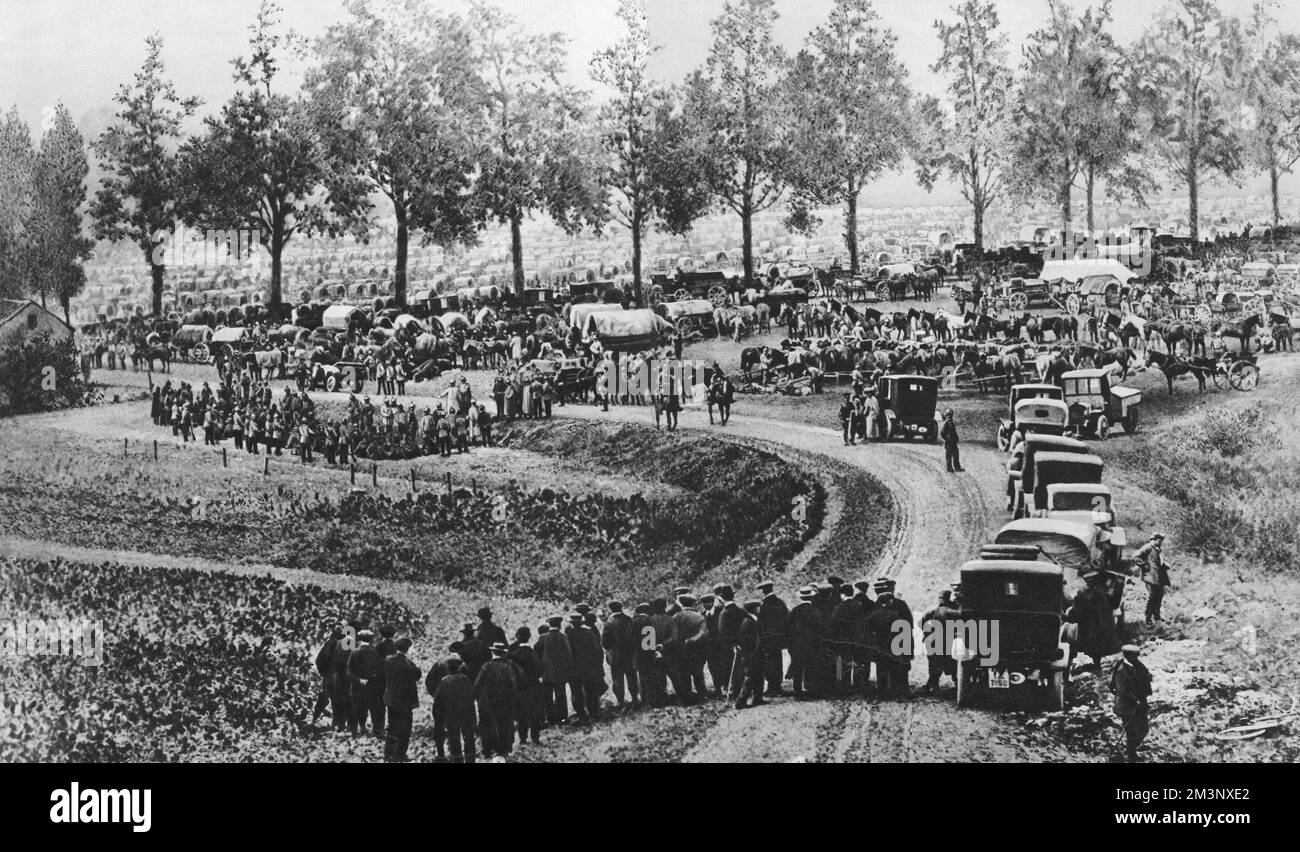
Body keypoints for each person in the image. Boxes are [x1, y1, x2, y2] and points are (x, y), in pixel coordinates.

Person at [474, 643, 519, 760]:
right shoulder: (507, 668)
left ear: (493, 653)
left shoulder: (486, 666)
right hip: (504, 702)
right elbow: (514, 686)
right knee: (504, 725)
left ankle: (487, 751)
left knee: (486, 726)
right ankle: (503, 751)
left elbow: (477, 685)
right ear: (503, 653)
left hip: (486, 703)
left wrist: (480, 699)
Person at [1109, 644, 1152, 762]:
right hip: (1127, 705)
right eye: (1134, 655)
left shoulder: (1136, 665)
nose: (1137, 657)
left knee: (1143, 728)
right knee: (1132, 731)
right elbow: (1123, 691)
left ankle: (1131, 750)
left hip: (1139, 703)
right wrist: (1135, 700)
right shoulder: (1122, 670)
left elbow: (1143, 676)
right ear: (1127, 655)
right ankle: (1131, 754)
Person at [432, 657, 477, 763]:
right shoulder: (465, 679)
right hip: (466, 712)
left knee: (454, 738)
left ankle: (457, 760)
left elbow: (438, 700)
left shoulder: (444, 681)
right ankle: (470, 760)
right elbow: (471, 696)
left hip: (451, 713)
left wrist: (438, 715)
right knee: (469, 737)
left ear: (448, 668)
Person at [382, 637, 420, 763]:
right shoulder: (407, 663)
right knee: (405, 729)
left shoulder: (388, 660)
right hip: (405, 701)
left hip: (391, 699)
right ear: (407, 649)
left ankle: (388, 753)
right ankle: (400, 754)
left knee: (392, 726)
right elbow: (417, 675)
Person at [509, 628, 545, 746]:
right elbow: (540, 671)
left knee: (521, 713)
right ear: (529, 636)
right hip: (534, 686)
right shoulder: (532, 653)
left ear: (517, 637)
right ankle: (535, 737)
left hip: (519, 688)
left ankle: (523, 739)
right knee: (535, 712)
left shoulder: (513, 655)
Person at [347, 628, 385, 738]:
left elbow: (349, 671)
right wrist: (372, 678)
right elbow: (378, 669)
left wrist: (359, 680)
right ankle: (376, 731)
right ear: (371, 640)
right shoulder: (374, 653)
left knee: (359, 707)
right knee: (374, 707)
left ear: (360, 639)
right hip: (371, 686)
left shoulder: (354, 653)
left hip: (357, 686)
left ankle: (362, 727)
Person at [919, 591, 959, 695]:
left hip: (931, 640)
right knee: (947, 663)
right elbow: (962, 615)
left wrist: (927, 632)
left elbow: (922, 621)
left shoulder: (932, 611)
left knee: (933, 664)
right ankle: (934, 688)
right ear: (948, 599)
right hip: (944, 642)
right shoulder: (950, 611)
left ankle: (931, 687)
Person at [567, 612, 605, 720]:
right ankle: (594, 713)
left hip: (575, 668)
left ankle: (581, 714)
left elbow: (567, 653)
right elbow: (598, 650)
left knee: (577, 692)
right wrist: (598, 664)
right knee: (591, 691)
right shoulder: (588, 633)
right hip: (590, 667)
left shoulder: (569, 635)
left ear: (572, 623)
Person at [601, 601, 639, 708]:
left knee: (617, 679)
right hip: (628, 654)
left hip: (615, 656)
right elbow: (634, 637)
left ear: (610, 609)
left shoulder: (608, 623)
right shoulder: (628, 620)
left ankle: (621, 701)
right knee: (631, 676)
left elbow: (605, 643)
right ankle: (635, 698)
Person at [537, 614, 572, 724]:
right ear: (559, 624)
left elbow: (536, 652)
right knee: (561, 695)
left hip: (546, 672)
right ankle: (563, 718)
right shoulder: (563, 637)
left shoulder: (542, 638)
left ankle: (551, 719)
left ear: (549, 624)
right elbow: (569, 654)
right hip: (560, 671)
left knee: (547, 696)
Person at [785, 586, 820, 698]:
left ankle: (797, 691)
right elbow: (819, 628)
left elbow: (787, 628)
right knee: (810, 666)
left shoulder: (794, 611)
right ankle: (810, 690)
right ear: (811, 597)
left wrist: (790, 643)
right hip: (810, 644)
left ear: (801, 598)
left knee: (797, 667)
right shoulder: (814, 611)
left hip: (797, 644)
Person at [756, 580, 788, 697]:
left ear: (764, 591)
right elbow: (786, 619)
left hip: (767, 639)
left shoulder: (763, 606)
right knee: (777, 661)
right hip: (778, 638)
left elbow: (760, 623)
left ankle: (771, 687)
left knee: (768, 662)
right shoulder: (780, 603)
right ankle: (777, 686)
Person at [733, 601, 766, 708]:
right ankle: (740, 702)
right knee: (750, 677)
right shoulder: (747, 622)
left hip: (757, 653)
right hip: (751, 655)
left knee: (759, 676)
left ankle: (758, 698)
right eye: (758, 607)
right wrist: (748, 655)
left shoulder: (755, 620)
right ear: (754, 609)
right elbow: (745, 641)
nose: (759, 609)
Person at [1133, 533, 1171, 624]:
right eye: (1159, 540)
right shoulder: (1148, 547)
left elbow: (1158, 562)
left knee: (1159, 596)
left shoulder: (1157, 549)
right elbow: (1136, 556)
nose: (1161, 542)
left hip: (1158, 577)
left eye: (1161, 540)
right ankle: (1148, 618)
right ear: (1153, 539)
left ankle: (1157, 617)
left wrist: (1164, 565)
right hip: (1150, 577)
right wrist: (1144, 566)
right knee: (1152, 597)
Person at [940, 408, 963, 472]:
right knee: (949, 455)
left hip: (953, 441)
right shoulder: (946, 423)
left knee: (955, 454)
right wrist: (947, 438)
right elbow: (942, 433)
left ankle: (957, 467)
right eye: (948, 415)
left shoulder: (952, 422)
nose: (950, 416)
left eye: (951, 415)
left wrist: (956, 437)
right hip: (949, 441)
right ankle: (949, 468)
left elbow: (954, 432)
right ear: (946, 415)